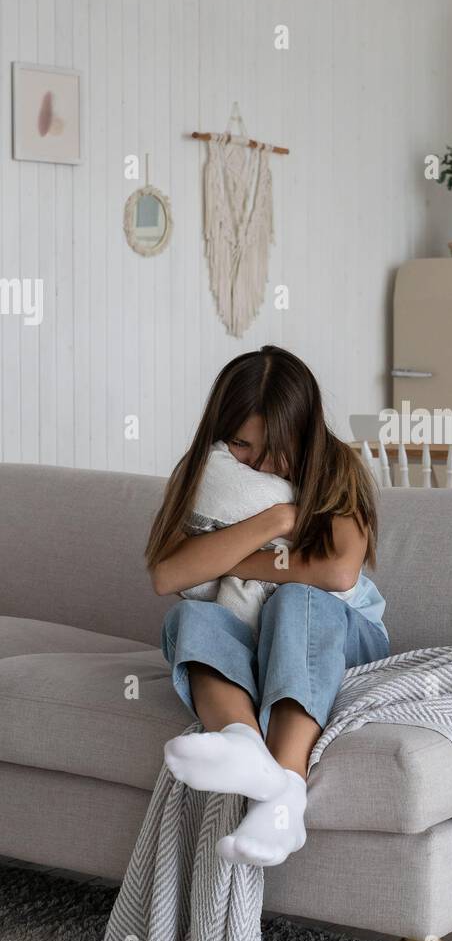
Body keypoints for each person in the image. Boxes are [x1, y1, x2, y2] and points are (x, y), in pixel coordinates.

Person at [145, 345, 390, 867]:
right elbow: (168, 575)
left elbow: (338, 571)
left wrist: (228, 561)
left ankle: (285, 791)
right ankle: (242, 744)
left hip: (340, 634)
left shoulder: (335, 466)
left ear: (306, 435)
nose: (257, 463)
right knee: (188, 618)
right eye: (241, 444)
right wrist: (277, 519)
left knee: (296, 600)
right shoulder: (208, 477)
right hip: (257, 645)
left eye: (276, 448)